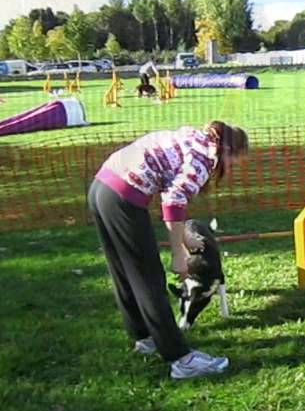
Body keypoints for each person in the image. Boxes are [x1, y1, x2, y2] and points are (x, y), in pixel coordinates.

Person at [88, 120, 249, 380]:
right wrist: (179, 255)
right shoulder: (202, 160)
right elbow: (173, 204)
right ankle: (180, 359)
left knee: (124, 272)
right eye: (233, 163)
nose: (230, 169)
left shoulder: (192, 139)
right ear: (228, 151)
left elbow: (171, 192)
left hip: (101, 187)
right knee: (148, 279)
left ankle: (144, 337)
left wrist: (184, 235)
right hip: (123, 197)